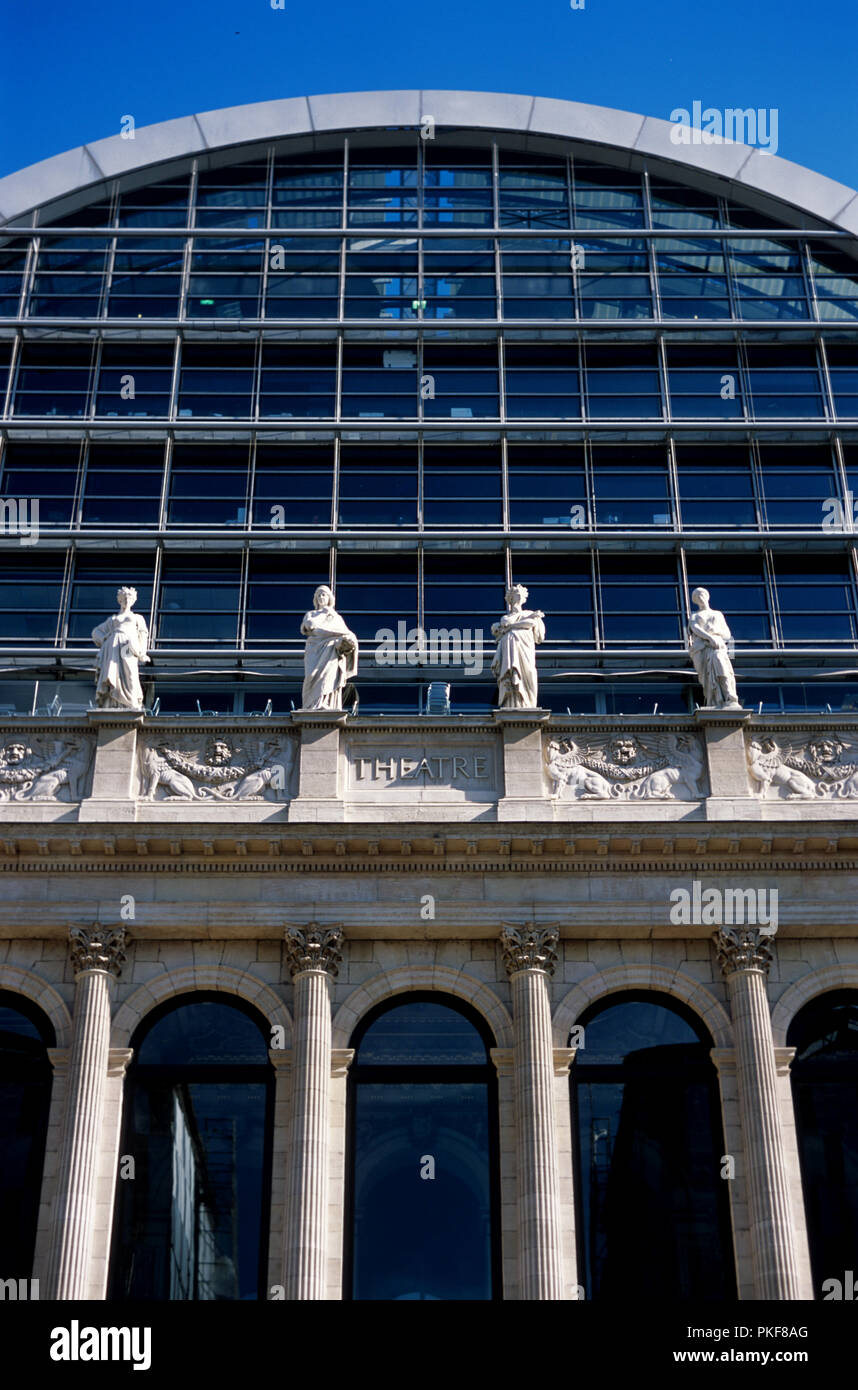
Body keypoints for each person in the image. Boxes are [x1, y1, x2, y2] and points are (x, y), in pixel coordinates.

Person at [300, 585, 358, 711]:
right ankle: (311, 705)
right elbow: (307, 628)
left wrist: (347, 641)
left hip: (330, 651)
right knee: (311, 676)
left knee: (327, 677)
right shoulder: (311, 614)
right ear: (315, 599)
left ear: (329, 598)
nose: (321, 597)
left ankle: (325, 703)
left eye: (324, 595)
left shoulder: (335, 616)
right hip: (314, 649)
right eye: (319, 595)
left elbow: (346, 633)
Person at [91, 586, 150, 710]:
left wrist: (142, 652)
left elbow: (143, 634)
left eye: (129, 598)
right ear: (120, 600)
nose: (127, 601)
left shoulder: (137, 618)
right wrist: (105, 638)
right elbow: (96, 632)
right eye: (124, 598)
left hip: (128, 646)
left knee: (130, 673)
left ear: (133, 600)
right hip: (112, 647)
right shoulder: (112, 619)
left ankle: (131, 703)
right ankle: (111, 703)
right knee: (112, 672)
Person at [491, 584, 545, 709]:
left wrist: (511, 627)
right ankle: (511, 705)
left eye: (521, 593)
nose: (519, 595)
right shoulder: (506, 617)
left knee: (528, 673)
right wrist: (520, 624)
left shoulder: (529, 613)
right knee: (511, 675)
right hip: (510, 647)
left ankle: (528, 704)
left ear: (525, 597)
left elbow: (532, 625)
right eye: (516, 592)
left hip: (525, 648)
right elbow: (521, 623)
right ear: (510, 597)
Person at [687, 587, 741, 709]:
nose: (699, 598)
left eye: (701, 595)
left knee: (722, 667)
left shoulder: (717, 614)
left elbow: (727, 634)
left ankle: (729, 698)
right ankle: (713, 701)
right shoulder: (695, 615)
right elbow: (695, 628)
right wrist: (709, 638)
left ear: (707, 596)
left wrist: (715, 634)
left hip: (717, 647)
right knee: (705, 677)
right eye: (696, 597)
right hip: (701, 648)